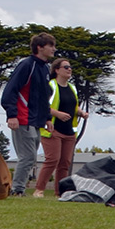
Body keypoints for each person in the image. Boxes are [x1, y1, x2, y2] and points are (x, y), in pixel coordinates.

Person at [0, 32, 56, 196]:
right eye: (50, 45)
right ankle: (17, 190)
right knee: (28, 156)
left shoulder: (45, 68)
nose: (54, 49)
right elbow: (11, 91)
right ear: (39, 47)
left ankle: (18, 188)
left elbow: (44, 96)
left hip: (36, 121)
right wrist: (12, 114)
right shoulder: (27, 65)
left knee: (31, 157)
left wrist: (47, 118)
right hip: (23, 118)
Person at [34, 58, 86, 197]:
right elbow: (41, 105)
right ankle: (39, 190)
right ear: (57, 70)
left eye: (70, 67)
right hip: (52, 129)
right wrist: (57, 114)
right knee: (52, 160)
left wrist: (81, 112)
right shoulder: (50, 86)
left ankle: (60, 192)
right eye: (66, 67)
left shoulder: (72, 87)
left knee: (64, 163)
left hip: (69, 132)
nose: (69, 69)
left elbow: (73, 106)